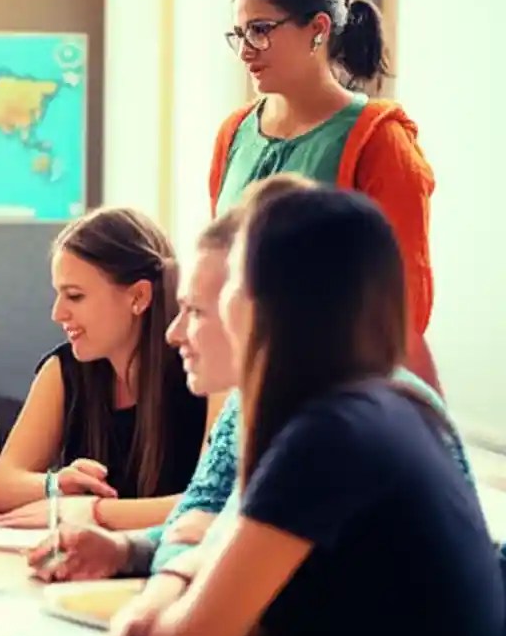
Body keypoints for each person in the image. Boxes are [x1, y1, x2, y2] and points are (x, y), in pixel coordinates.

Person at [111, 189, 503, 636]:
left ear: (269, 301)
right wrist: (193, 561)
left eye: (233, 277)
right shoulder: (385, 408)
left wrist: (158, 593)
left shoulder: (330, 435)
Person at [28, 175, 472, 585]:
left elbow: (189, 619)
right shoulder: (253, 403)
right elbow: (194, 519)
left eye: (198, 310)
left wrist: (192, 547)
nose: (173, 332)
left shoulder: (335, 429)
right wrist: (130, 547)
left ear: (260, 308)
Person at [210, 0, 440, 390]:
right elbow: (217, 265)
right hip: (242, 386)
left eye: (260, 31)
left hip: (335, 388)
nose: (244, 51)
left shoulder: (379, 140)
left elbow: (405, 301)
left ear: (318, 29)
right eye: (239, 34)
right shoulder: (233, 133)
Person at [0, 207, 206, 531]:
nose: (57, 313)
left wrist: (90, 512)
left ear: (138, 296)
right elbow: (2, 485)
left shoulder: (204, 374)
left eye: (74, 296)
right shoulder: (63, 372)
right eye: (58, 294)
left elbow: (210, 508)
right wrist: (56, 485)